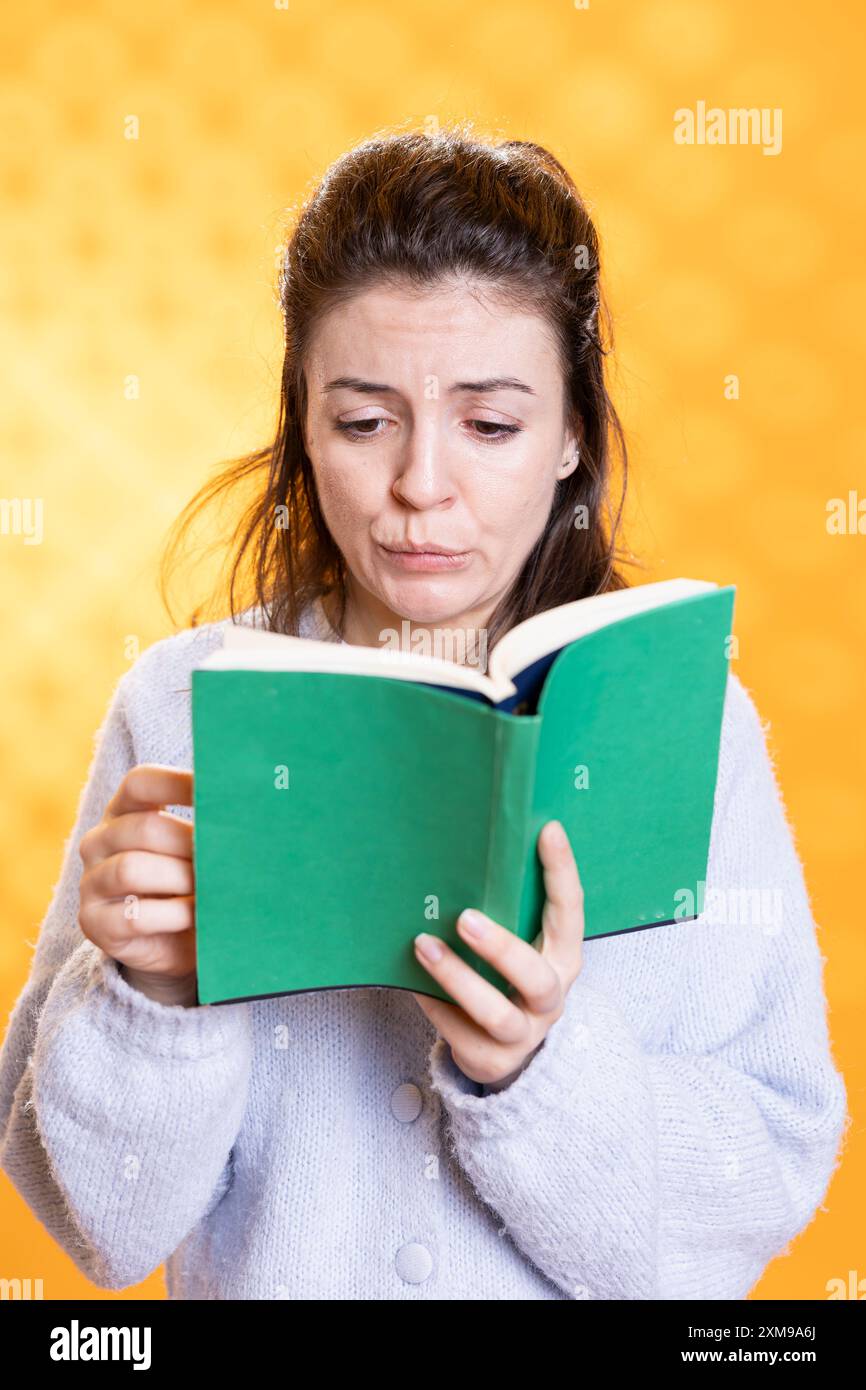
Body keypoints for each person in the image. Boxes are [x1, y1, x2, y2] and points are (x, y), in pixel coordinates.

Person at [0, 127, 848, 1300]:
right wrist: (150, 996)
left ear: (569, 441)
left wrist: (532, 1067)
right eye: (363, 421)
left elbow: (748, 1198)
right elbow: (100, 1227)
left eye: (490, 425)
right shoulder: (180, 707)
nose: (420, 485)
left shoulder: (690, 724)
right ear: (302, 421)